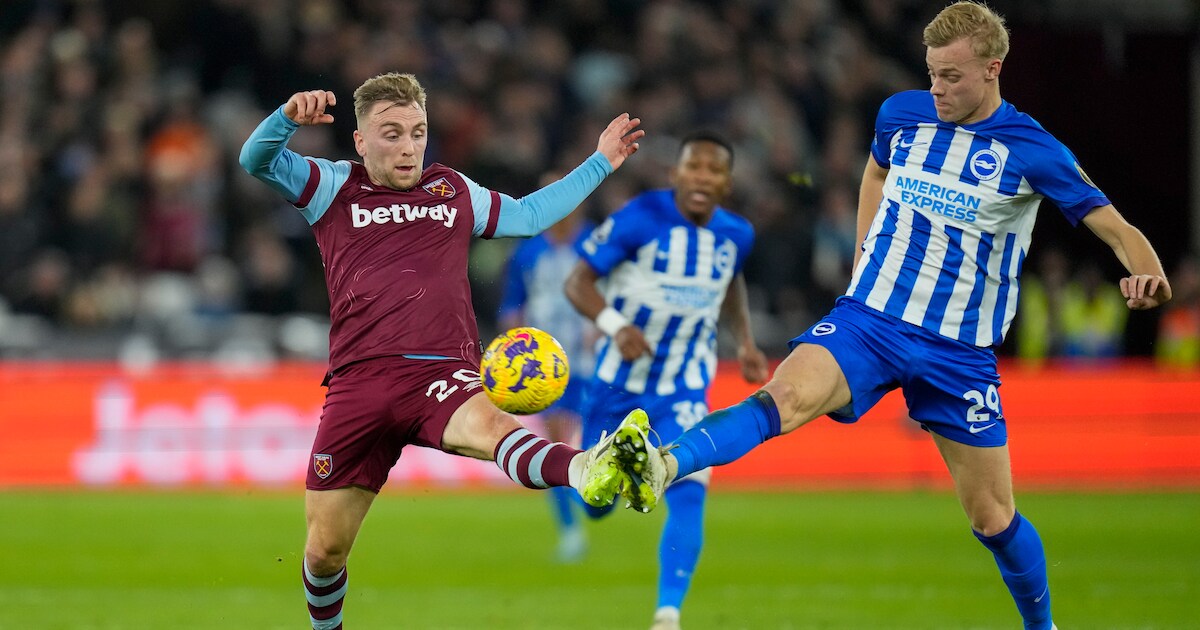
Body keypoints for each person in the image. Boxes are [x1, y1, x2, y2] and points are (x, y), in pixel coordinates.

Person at [619, 4, 1173, 630]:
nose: (936, 89)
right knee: (785, 395)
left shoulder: (1034, 150)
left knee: (992, 519)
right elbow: (876, 171)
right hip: (871, 320)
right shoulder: (901, 114)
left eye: (952, 78)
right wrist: (862, 255)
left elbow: (1115, 226)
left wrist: (1146, 272)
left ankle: (1041, 627)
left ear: (993, 70)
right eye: (932, 74)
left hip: (957, 353)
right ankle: (664, 463)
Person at [239, 72, 650, 629]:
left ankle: (587, 469)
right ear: (360, 142)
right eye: (390, 134)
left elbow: (528, 216)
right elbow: (255, 160)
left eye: (417, 132)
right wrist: (287, 117)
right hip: (358, 385)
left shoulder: (452, 190)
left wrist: (599, 161)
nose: (408, 147)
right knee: (323, 552)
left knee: (494, 430)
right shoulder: (332, 186)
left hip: (442, 375)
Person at [564, 130, 769, 630]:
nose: (702, 178)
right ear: (676, 174)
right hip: (616, 385)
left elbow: (731, 282)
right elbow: (578, 282)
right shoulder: (640, 217)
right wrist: (615, 326)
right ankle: (606, 481)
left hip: (684, 385)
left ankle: (667, 613)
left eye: (713, 170)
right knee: (595, 500)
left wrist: (743, 341)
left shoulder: (737, 234)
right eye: (693, 168)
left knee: (689, 488)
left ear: (727, 182)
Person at [496, 172, 597, 563]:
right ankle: (571, 529)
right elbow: (511, 306)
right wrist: (514, 352)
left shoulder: (595, 244)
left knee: (585, 440)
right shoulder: (527, 252)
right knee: (557, 442)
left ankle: (588, 506)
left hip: (589, 360)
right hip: (544, 365)